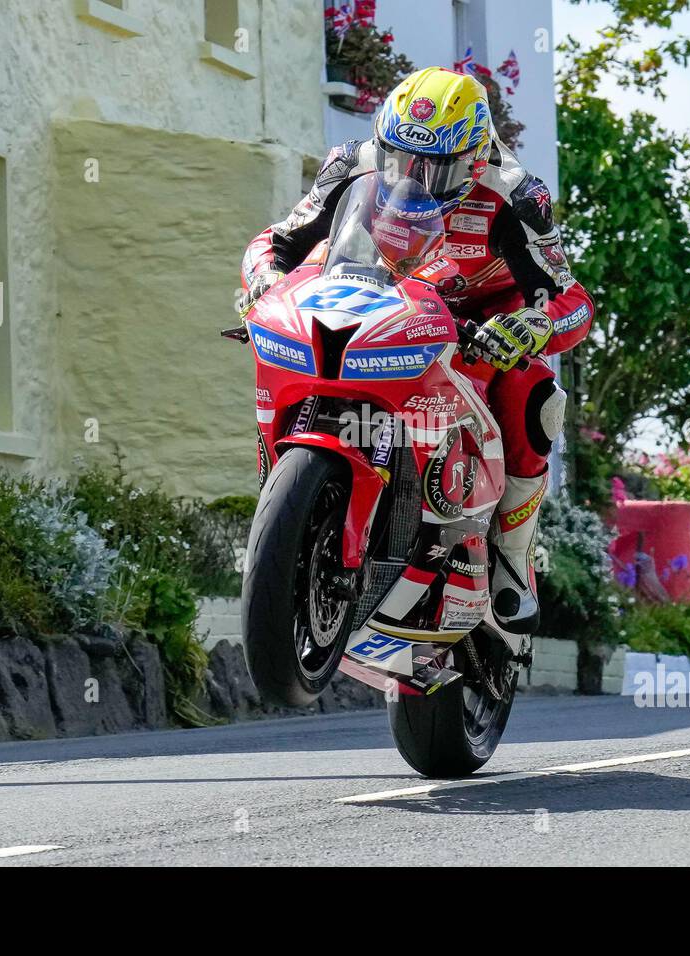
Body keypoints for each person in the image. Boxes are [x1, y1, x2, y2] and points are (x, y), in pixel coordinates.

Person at [240, 66, 594, 635]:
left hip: (479, 316)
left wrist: (530, 328)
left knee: (533, 400)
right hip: (378, 293)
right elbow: (278, 240)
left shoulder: (517, 195)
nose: (415, 177)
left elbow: (571, 297)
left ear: (476, 157)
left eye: (437, 166)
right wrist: (263, 279)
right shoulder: (351, 163)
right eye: (401, 160)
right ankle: (297, 496)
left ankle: (510, 557)